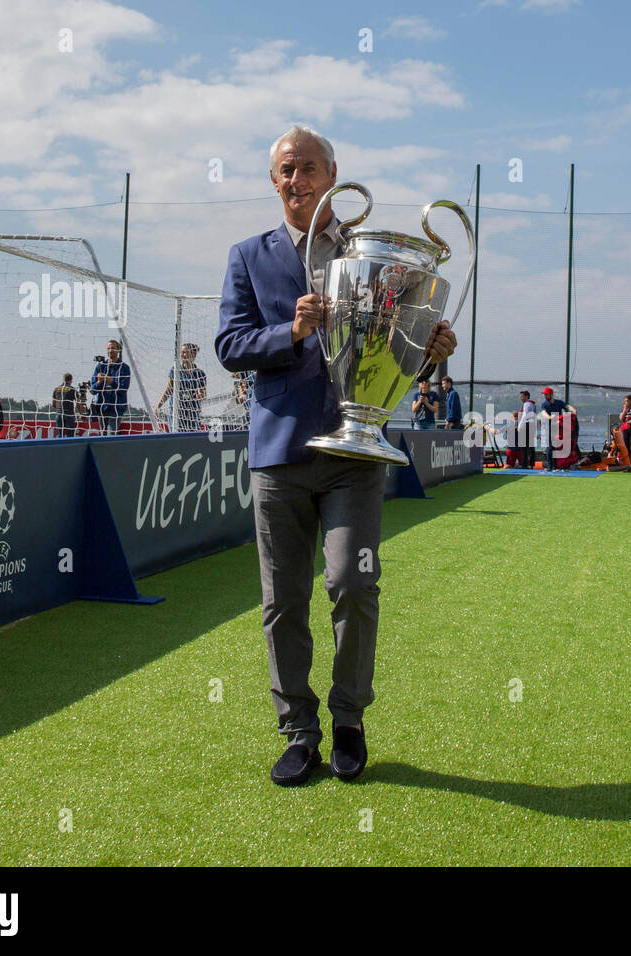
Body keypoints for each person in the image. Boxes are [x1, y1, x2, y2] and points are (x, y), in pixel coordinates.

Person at [215, 124, 457, 787]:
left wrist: (429, 347)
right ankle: (299, 733)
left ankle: (349, 719)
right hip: (281, 454)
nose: (299, 180)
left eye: (311, 168)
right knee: (282, 603)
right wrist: (288, 331)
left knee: (354, 582)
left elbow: (400, 342)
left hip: (354, 455)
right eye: (287, 170)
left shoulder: (370, 252)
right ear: (275, 182)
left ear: (333, 175)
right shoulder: (248, 256)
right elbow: (231, 345)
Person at [156, 343, 208, 432]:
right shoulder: (175, 370)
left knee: (192, 440)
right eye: (181, 352)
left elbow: (204, 394)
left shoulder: (200, 373)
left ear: (193, 354)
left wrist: (200, 395)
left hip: (193, 413)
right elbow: (168, 390)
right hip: (177, 411)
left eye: (184, 352)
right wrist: (158, 406)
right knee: (176, 438)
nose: (181, 355)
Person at [90, 339, 131, 435]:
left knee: (111, 435)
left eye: (113, 348)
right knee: (102, 437)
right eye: (108, 348)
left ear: (118, 350)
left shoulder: (124, 367)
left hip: (116, 408)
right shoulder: (100, 366)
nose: (110, 350)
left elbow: (123, 389)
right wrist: (99, 382)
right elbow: (92, 390)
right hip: (102, 407)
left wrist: (111, 381)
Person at [539, 386, 575, 470]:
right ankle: (550, 466)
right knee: (550, 447)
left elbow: (567, 406)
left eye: (546, 394)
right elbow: (543, 412)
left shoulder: (559, 402)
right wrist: (549, 417)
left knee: (559, 446)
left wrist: (573, 410)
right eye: (544, 394)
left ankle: (560, 465)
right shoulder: (544, 404)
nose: (545, 396)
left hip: (559, 428)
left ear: (551, 394)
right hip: (549, 428)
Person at [51, 373, 79, 438]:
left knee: (60, 435)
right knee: (70, 435)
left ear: (63, 379)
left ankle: (59, 447)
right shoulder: (73, 389)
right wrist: (81, 412)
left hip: (59, 414)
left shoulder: (56, 389)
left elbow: (53, 404)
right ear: (71, 380)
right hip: (69, 414)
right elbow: (78, 404)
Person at [516, 389, 537, 468]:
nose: (521, 398)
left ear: (526, 396)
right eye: (520, 397)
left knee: (523, 446)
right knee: (530, 445)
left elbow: (525, 415)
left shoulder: (527, 404)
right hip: (531, 425)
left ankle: (524, 464)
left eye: (522, 396)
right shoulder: (532, 404)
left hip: (526, 425)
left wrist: (520, 426)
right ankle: (531, 463)